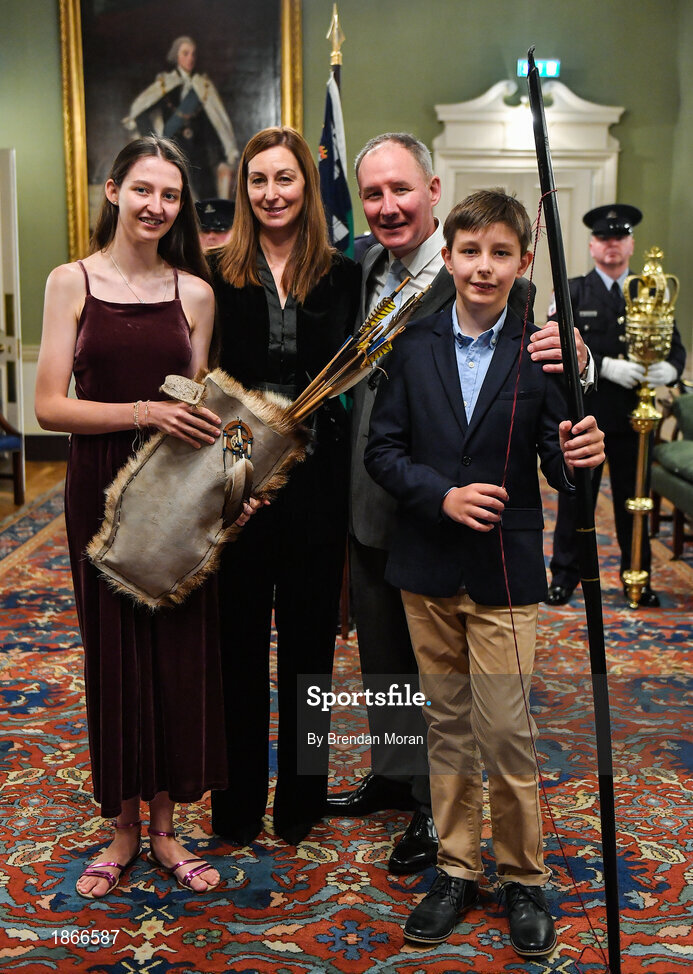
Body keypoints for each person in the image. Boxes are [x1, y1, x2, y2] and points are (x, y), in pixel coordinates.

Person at [326, 132, 591, 877]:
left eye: (400, 190)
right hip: (389, 512)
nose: (386, 206)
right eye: (372, 193)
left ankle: (471, 840)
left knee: (490, 718)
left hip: (485, 539)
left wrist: (582, 366)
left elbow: (553, 372)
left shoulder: (504, 303)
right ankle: (407, 793)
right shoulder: (363, 272)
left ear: (432, 193)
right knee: (396, 674)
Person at [364, 189, 606, 955]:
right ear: (448, 256)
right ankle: (455, 869)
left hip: (503, 569)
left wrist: (580, 458)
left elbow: (558, 466)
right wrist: (440, 494)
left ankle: (523, 877)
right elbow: (382, 451)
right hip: (427, 564)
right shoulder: (413, 345)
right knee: (446, 725)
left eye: (500, 253)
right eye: (469, 251)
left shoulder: (539, 355)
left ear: (523, 263)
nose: (482, 266)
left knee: (503, 730)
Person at [34, 136, 256, 899]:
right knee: (116, 654)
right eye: (143, 190)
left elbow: (205, 411)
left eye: (169, 195)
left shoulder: (194, 292)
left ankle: (164, 830)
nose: (156, 206)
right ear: (113, 191)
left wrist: (237, 475)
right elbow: (48, 406)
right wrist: (142, 412)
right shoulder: (70, 282)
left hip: (172, 489)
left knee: (175, 653)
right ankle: (122, 828)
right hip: (99, 491)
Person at [209, 127, 361, 847]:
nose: (272, 193)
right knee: (236, 649)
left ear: (307, 185)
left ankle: (302, 800)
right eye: (258, 180)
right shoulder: (216, 274)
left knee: (308, 653)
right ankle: (236, 803)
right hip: (235, 483)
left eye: (285, 178)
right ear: (244, 190)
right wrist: (242, 470)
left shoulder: (344, 275)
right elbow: (213, 386)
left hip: (318, 485)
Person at [546, 204, 686, 607]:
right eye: (604, 238)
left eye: (619, 238)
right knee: (576, 500)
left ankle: (636, 576)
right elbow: (557, 345)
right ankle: (564, 576)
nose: (612, 245)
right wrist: (605, 365)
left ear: (631, 245)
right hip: (586, 414)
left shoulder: (651, 291)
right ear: (592, 246)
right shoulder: (572, 291)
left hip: (633, 419)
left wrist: (670, 370)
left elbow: (675, 349)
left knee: (634, 501)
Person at [123, 36, 239, 200]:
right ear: (176, 56)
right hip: (172, 153)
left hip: (199, 156)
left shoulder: (203, 86)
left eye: (193, 54)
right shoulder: (165, 84)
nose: (190, 58)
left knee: (206, 204)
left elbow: (215, 124)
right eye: (185, 53)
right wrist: (154, 142)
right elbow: (139, 112)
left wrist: (221, 156)